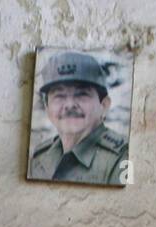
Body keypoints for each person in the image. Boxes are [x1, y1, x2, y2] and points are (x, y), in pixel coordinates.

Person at [28, 50, 127, 185]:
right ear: (47, 108)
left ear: (103, 105)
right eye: (59, 96)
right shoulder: (40, 156)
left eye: (81, 94)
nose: (69, 105)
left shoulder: (123, 157)